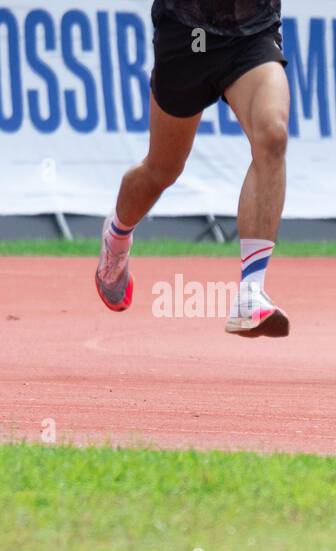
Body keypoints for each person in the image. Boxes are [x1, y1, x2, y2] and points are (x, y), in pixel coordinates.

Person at [95, 0, 293, 339]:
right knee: (161, 170)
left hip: (252, 31)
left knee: (272, 135)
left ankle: (251, 291)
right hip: (188, 32)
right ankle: (116, 238)